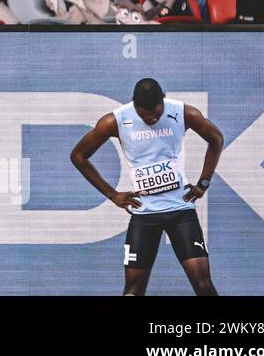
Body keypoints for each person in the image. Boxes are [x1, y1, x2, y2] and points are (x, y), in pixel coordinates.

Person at [70, 78, 223, 296]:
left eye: (156, 113)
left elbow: (216, 139)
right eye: (144, 115)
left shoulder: (184, 113)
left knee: (204, 285)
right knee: (133, 290)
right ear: (134, 104)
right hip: (145, 215)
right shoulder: (115, 121)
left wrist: (203, 183)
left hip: (181, 211)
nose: (151, 118)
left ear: (163, 100)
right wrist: (112, 194)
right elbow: (78, 156)